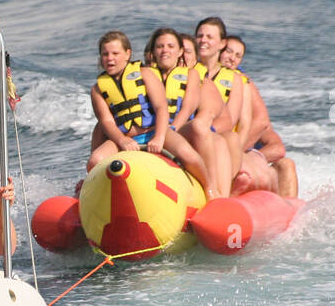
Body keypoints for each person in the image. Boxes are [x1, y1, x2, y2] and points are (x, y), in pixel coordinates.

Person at [141, 28, 221, 199]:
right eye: (160, 46)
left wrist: (173, 128)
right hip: (149, 132)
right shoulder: (143, 75)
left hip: (179, 130)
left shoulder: (190, 74)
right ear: (153, 51)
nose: (165, 50)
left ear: (179, 52)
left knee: (196, 133)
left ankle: (211, 189)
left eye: (170, 46)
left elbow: (188, 106)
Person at [218, 37, 299, 198]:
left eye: (238, 55)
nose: (232, 58)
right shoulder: (201, 76)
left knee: (286, 164)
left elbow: (274, 141)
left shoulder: (243, 82)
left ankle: (289, 210)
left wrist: (236, 152)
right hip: (222, 146)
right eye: (228, 51)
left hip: (237, 148)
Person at [86, 31, 170, 171]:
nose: (109, 58)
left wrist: (159, 137)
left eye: (115, 53)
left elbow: (161, 107)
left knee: (188, 155)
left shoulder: (145, 74)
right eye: (105, 54)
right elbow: (106, 122)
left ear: (127, 54)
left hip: (154, 132)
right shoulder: (97, 90)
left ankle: (210, 188)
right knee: (95, 161)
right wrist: (122, 140)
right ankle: (88, 189)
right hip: (123, 140)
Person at [193, 17, 249, 194]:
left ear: (221, 43)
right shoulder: (188, 69)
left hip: (217, 135)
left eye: (209, 37)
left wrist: (204, 132)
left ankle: (221, 193)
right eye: (200, 36)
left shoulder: (234, 79)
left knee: (229, 139)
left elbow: (230, 120)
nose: (203, 40)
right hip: (189, 129)